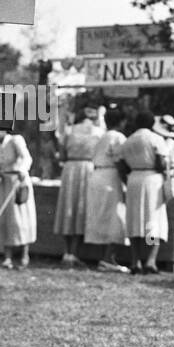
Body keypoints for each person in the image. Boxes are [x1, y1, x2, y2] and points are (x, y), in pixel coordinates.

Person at [119, 111, 170, 276]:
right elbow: (161, 163)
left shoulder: (128, 141)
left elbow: (121, 166)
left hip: (134, 178)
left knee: (135, 220)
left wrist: (128, 179)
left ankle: (136, 261)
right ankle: (150, 260)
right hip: (152, 179)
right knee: (152, 220)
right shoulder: (156, 139)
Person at [53, 103, 100, 267]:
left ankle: (67, 252)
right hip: (87, 168)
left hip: (70, 169)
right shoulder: (97, 131)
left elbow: (62, 155)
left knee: (68, 208)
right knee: (81, 208)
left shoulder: (68, 130)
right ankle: (74, 251)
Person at [85, 105, 129, 272]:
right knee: (114, 218)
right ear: (122, 122)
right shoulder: (118, 137)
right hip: (110, 177)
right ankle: (108, 258)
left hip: (97, 176)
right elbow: (120, 162)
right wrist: (127, 182)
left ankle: (105, 257)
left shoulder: (102, 136)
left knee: (102, 216)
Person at [0, 128, 37, 268]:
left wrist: (22, 170)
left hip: (18, 183)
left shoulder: (15, 140)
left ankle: (24, 254)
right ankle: (7, 256)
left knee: (20, 218)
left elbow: (26, 157)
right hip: (3, 184)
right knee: (5, 217)